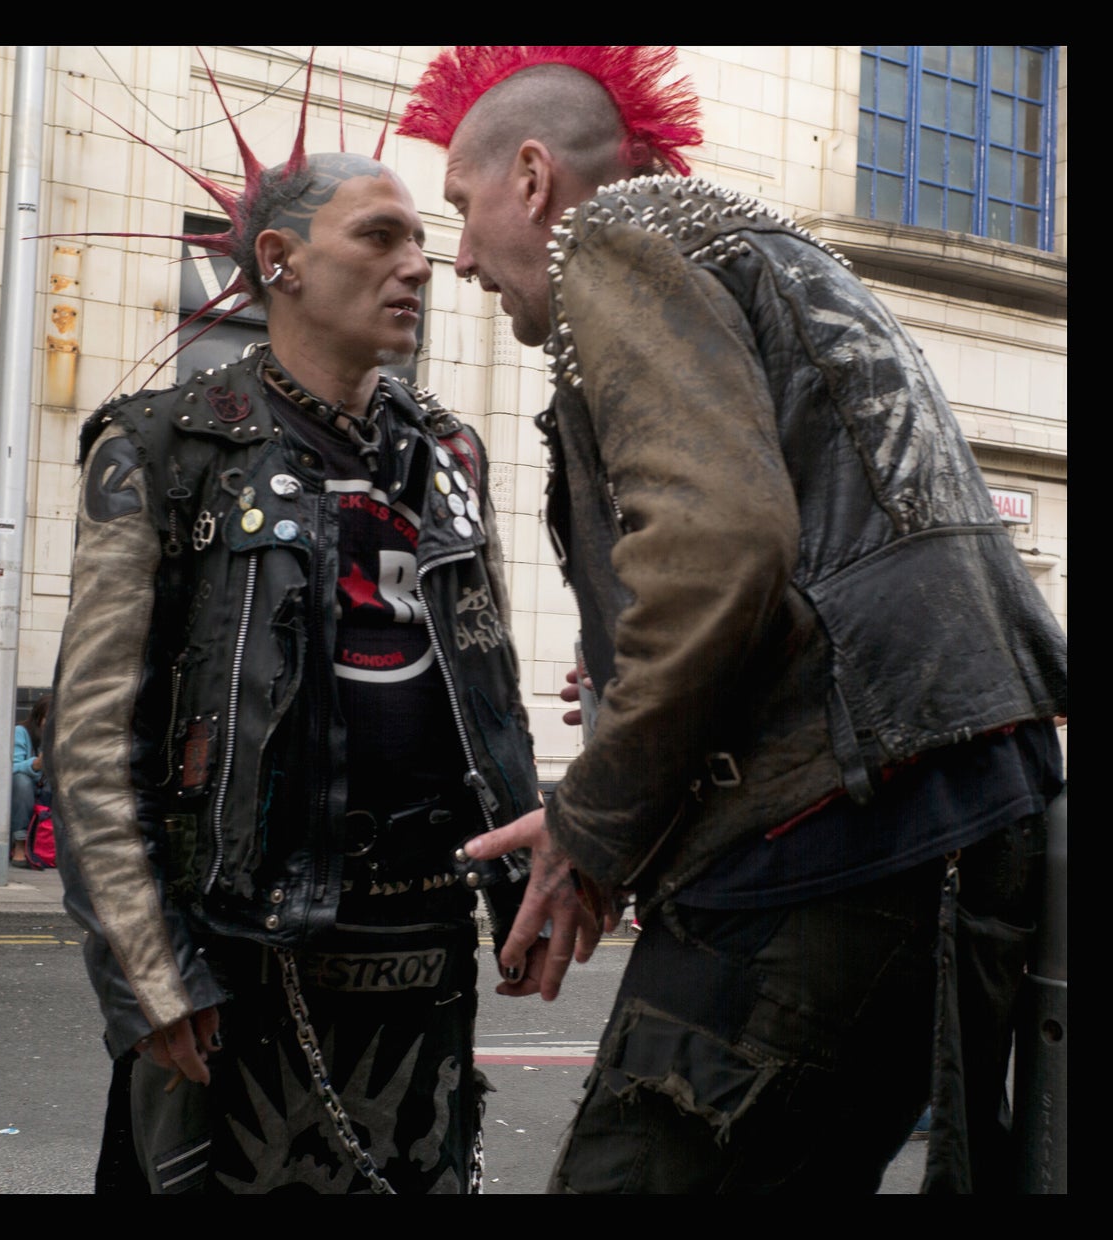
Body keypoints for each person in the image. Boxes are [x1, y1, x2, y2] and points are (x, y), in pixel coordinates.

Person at [398, 45, 1068, 1194]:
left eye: (461, 210)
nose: (458, 257)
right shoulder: (776, 251)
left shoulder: (617, 239)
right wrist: (634, 681)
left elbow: (719, 551)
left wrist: (593, 821)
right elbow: (802, 554)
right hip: (956, 820)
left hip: (833, 840)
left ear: (532, 178)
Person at [43, 114, 540, 1191]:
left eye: (420, 239)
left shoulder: (450, 455)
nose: (418, 263)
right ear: (280, 262)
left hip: (423, 952)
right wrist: (151, 973)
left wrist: (522, 881)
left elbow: (488, 686)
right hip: (242, 959)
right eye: (379, 236)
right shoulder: (160, 450)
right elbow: (89, 743)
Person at [10, 693, 50, 867]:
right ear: (38, 717)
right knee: (21, 782)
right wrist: (35, 765)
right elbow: (11, 767)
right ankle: (20, 844)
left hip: (49, 788)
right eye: (49, 718)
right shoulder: (21, 733)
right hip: (24, 790)